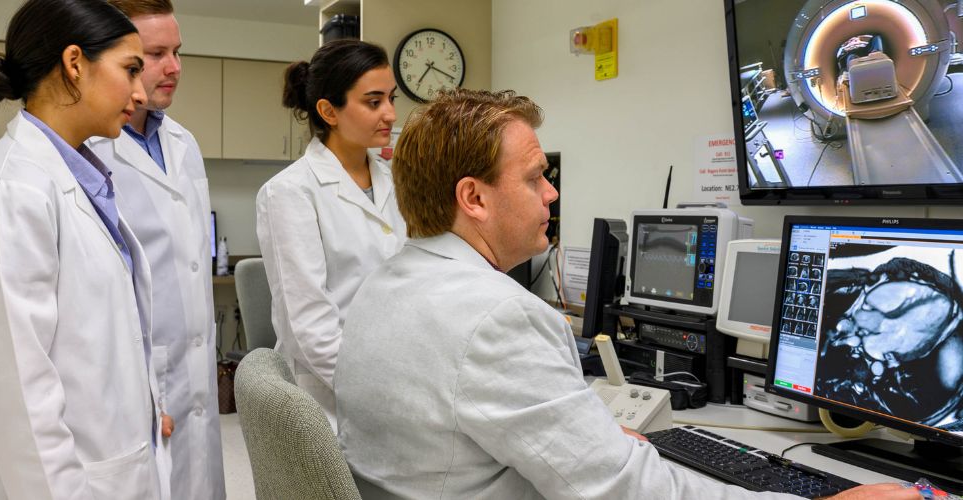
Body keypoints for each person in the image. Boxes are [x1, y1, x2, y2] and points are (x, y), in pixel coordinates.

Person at [333, 89, 922, 500]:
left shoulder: (386, 282)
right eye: (536, 176)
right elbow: (630, 491)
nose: (552, 195)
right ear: (475, 198)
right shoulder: (497, 317)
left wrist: (593, 441)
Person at [0, 0, 173, 498]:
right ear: (74, 63)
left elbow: (94, 340)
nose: (141, 93)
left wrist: (142, 403)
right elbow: (18, 389)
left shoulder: (78, 176)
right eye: (131, 70)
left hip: (110, 461)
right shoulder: (13, 189)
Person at [86, 1, 225, 498]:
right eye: (155, 54)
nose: (174, 68)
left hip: (194, 373)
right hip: (136, 376)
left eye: (177, 52)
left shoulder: (184, 142)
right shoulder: (90, 148)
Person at [255, 39, 405, 429]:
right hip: (331, 401)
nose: (389, 113)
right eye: (373, 102)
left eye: (391, 98)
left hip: (398, 372)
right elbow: (309, 328)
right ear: (328, 110)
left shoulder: (399, 181)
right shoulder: (290, 192)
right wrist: (384, 391)